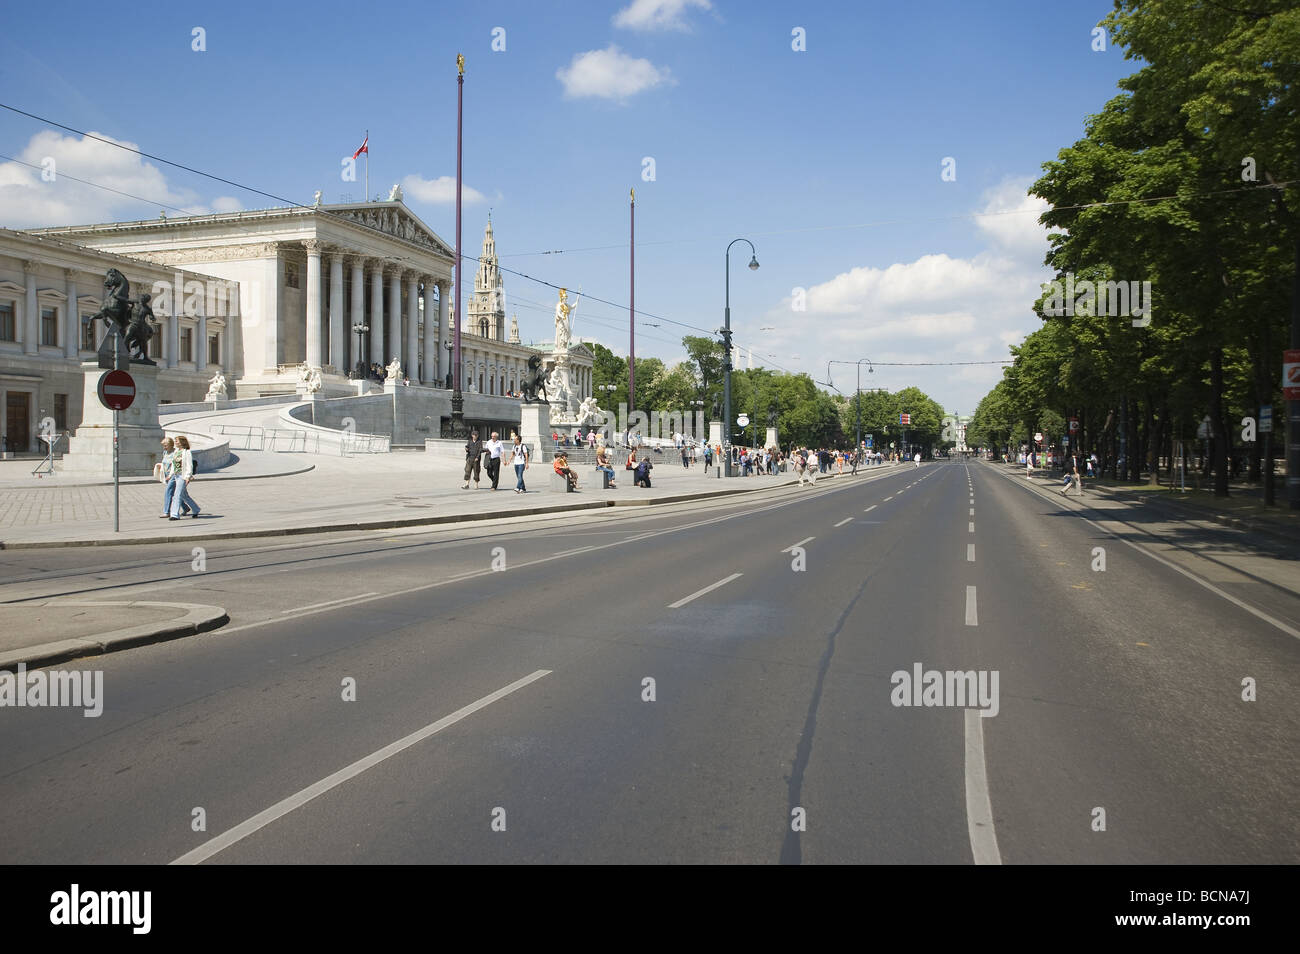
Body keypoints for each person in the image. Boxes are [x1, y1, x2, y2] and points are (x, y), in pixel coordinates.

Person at [169, 436, 200, 519]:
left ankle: (174, 514)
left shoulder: (186, 452)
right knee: (184, 495)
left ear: (182, 442)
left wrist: (188, 476)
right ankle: (196, 509)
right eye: (175, 441)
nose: (175, 442)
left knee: (177, 495)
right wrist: (170, 474)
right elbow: (173, 464)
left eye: (177, 441)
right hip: (176, 475)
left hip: (183, 476)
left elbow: (189, 465)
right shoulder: (176, 451)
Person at [158, 437, 191, 518]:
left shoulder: (176, 452)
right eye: (163, 446)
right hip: (167, 475)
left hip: (175, 475)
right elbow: (165, 463)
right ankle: (186, 507)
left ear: (170, 445)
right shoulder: (165, 452)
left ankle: (167, 512)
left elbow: (182, 464)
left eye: (166, 445)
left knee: (168, 492)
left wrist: (188, 475)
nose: (164, 447)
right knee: (176, 494)